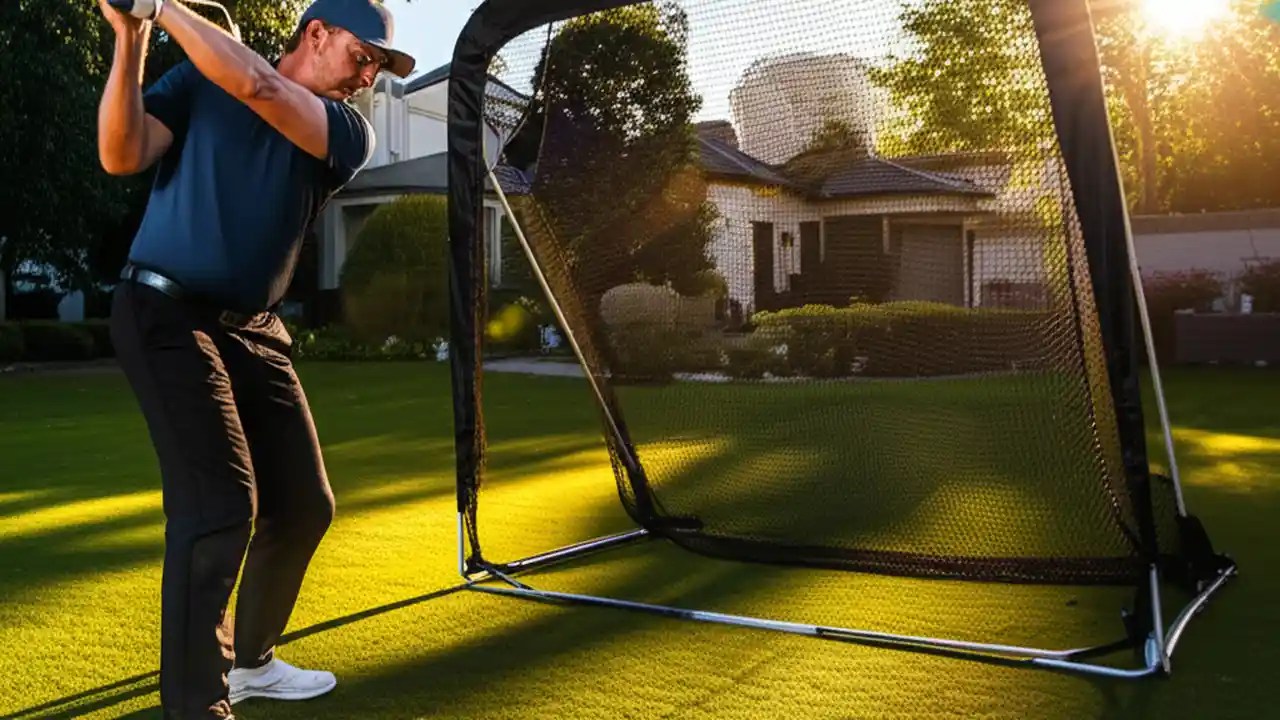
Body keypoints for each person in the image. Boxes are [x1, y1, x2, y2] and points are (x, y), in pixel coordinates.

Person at [95, 0, 415, 716]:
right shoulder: (198, 80)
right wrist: (131, 35)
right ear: (317, 33)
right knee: (219, 507)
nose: (367, 77)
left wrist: (162, 4)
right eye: (362, 56)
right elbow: (120, 153)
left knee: (303, 505)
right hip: (164, 313)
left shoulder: (346, 130)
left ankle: (251, 661)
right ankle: (196, 706)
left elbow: (260, 87)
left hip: (254, 331)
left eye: (378, 68)